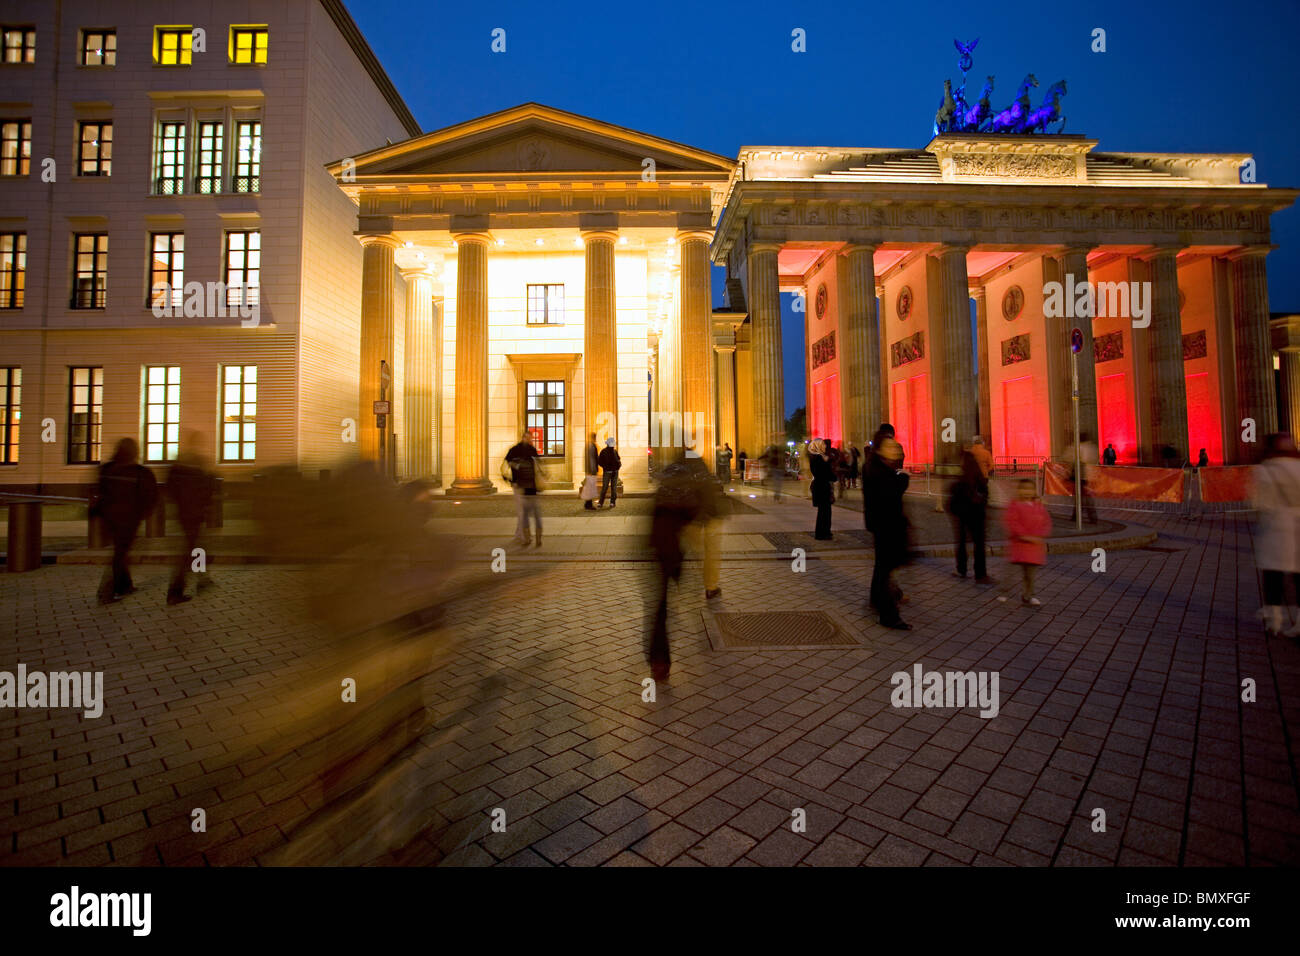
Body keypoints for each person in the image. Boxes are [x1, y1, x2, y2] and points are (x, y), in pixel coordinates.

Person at [647, 450, 721, 680]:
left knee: (660, 605)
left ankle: (659, 661)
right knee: (684, 590)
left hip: (661, 548)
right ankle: (701, 618)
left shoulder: (667, 482)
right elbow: (704, 510)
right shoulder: (693, 482)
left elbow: (655, 515)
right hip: (676, 547)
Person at [92, 438, 158, 605]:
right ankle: (106, 591)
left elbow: (98, 491)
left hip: (109, 519)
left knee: (120, 551)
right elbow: (150, 496)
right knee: (120, 554)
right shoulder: (140, 472)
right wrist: (143, 514)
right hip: (129, 519)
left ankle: (126, 585)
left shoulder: (107, 469)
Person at [1253, 433, 1300, 637]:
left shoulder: (1264, 471)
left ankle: (1274, 620)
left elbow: (1258, 502)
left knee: (1273, 575)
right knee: (1298, 577)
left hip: (1276, 528)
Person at [863, 436, 911, 629]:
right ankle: (889, 615)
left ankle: (881, 604)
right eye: (890, 446)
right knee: (884, 572)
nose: (895, 449)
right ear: (881, 450)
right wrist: (903, 479)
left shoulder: (877, 468)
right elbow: (890, 494)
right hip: (885, 526)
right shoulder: (879, 471)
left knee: (883, 570)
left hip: (882, 525)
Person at [166, 434, 217, 605]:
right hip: (195, 513)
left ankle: (202, 578)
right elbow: (206, 489)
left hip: (184, 513)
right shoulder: (197, 466)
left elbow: (171, 490)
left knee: (197, 546)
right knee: (190, 549)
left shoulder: (177, 468)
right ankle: (175, 590)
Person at [1004, 478, 1052, 607]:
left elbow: (1046, 522)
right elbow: (1012, 522)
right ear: (1019, 490)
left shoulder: (1039, 506)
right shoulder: (1014, 505)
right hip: (1020, 544)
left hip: (1034, 547)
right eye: (1023, 488)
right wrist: (1024, 535)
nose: (1026, 492)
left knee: (1030, 573)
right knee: (1013, 571)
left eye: (1029, 489)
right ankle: (1004, 591)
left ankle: (1028, 594)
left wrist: (1040, 535)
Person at [949, 448, 992, 583]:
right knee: (979, 544)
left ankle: (961, 569)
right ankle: (980, 574)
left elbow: (953, 503)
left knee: (962, 543)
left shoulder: (960, 482)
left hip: (963, 518)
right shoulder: (981, 481)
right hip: (978, 517)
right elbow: (985, 497)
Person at [506, 431, 543, 547]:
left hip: (527, 486)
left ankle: (526, 536)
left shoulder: (528, 450)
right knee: (525, 513)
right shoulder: (516, 450)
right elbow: (507, 463)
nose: (530, 440)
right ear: (524, 438)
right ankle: (524, 536)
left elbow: (539, 465)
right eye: (529, 438)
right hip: (521, 485)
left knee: (526, 513)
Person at [808, 439, 835, 540]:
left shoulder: (819, 457)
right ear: (818, 446)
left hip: (822, 487)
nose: (824, 446)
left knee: (825, 511)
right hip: (821, 487)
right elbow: (823, 473)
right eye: (822, 444)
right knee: (824, 511)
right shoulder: (818, 459)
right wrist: (832, 476)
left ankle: (825, 532)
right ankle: (822, 533)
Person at [597, 437, 621, 508]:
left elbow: (599, 461)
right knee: (613, 487)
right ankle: (612, 502)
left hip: (608, 472)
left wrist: (605, 467)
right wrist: (617, 467)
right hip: (613, 472)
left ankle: (601, 502)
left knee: (605, 487)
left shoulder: (604, 451)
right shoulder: (614, 451)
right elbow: (618, 460)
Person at [583, 432, 600, 510]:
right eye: (595, 437)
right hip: (591, 470)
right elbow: (591, 459)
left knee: (589, 487)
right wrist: (593, 470)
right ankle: (588, 504)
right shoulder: (591, 446)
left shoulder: (588, 445)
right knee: (590, 488)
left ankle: (587, 503)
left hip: (589, 470)